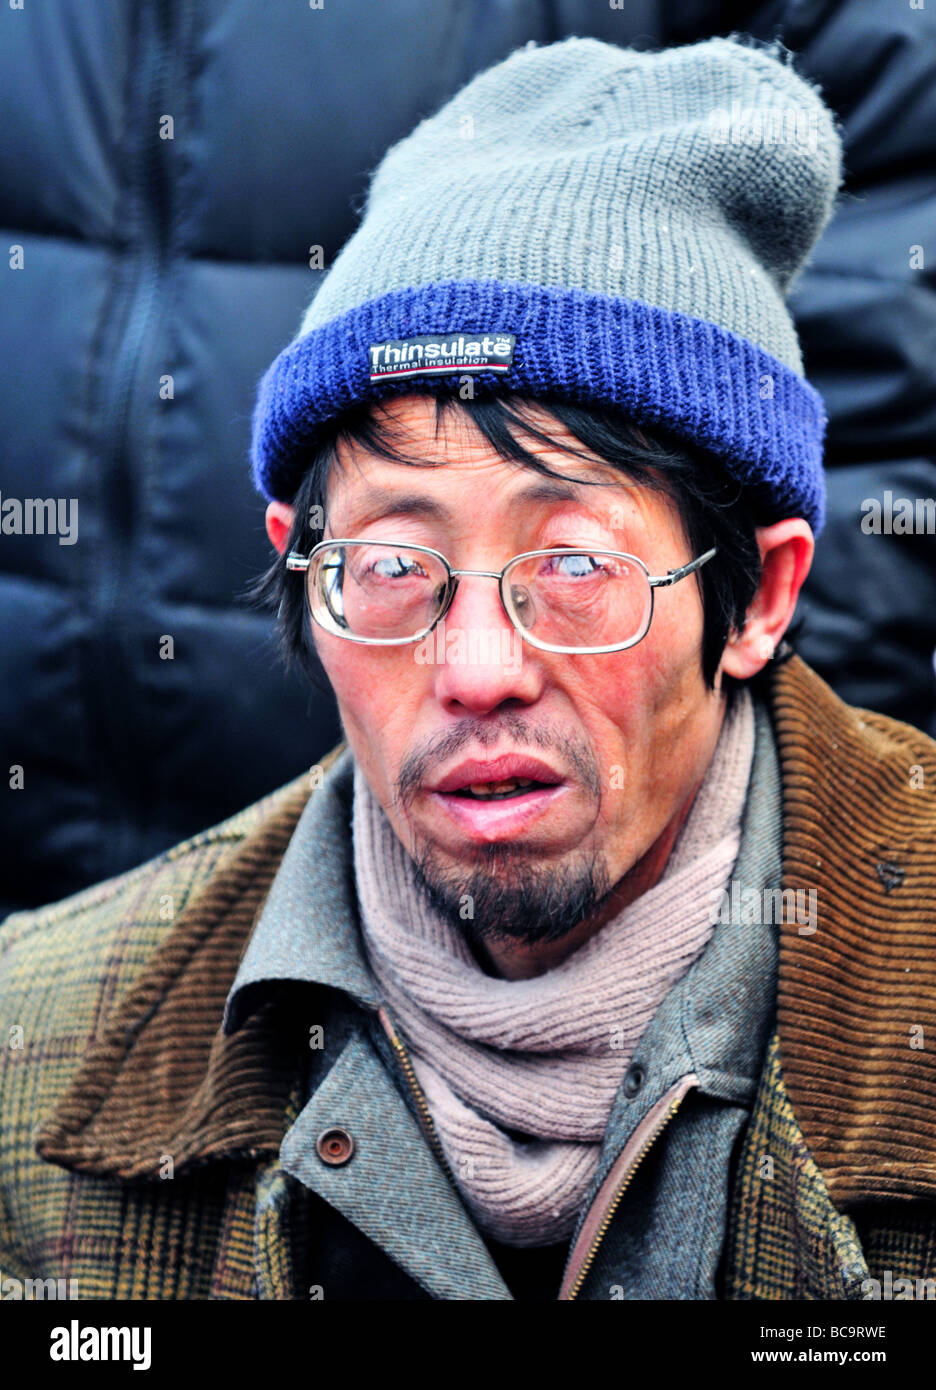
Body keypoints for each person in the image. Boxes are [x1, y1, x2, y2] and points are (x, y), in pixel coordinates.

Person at [2, 34, 935, 1303]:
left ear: (758, 595)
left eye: (574, 567)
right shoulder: (32, 1057)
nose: (480, 669)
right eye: (392, 567)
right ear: (299, 565)